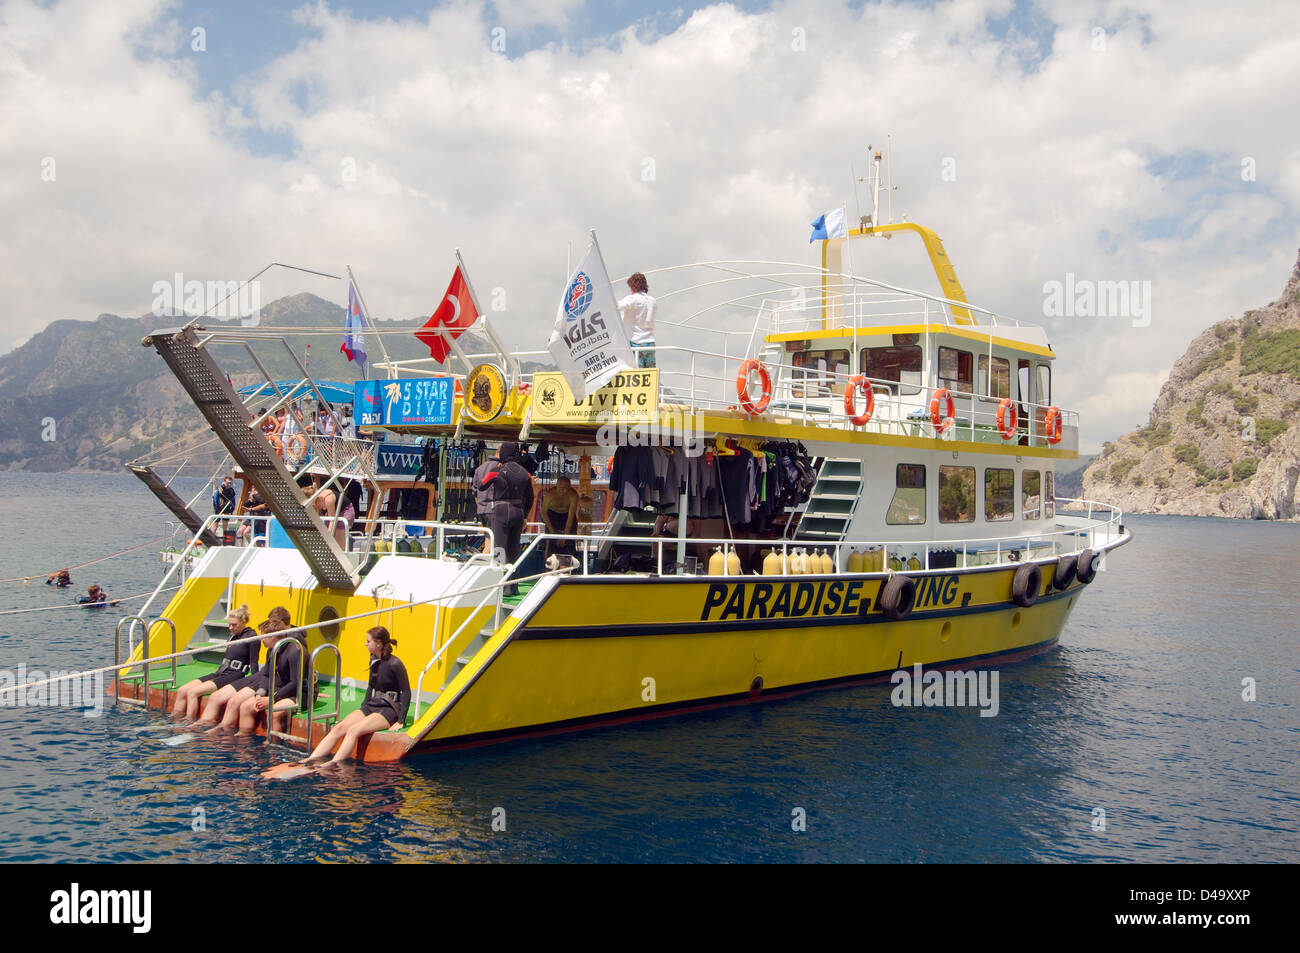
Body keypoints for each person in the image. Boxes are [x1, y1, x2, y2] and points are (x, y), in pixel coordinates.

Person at [264, 626, 409, 775]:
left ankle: (332, 763)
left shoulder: (394, 663)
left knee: (353, 730)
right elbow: (370, 686)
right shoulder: (373, 660)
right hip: (373, 704)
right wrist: (363, 708)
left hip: (389, 708)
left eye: (368, 641)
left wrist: (401, 720)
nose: (365, 644)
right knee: (338, 728)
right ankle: (311, 759)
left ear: (378, 643)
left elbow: (406, 692)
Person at [195, 608, 291, 727]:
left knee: (238, 703)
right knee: (216, 697)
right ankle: (201, 726)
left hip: (272, 681)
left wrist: (270, 696)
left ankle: (222, 730)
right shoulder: (270, 648)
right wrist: (260, 691)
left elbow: (292, 679)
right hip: (258, 676)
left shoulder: (293, 645)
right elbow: (266, 672)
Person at [171, 605, 260, 721]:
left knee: (193, 693)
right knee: (182, 690)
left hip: (234, 674)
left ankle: (188, 723)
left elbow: (254, 663)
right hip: (221, 671)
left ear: (243, 622)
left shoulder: (252, 637)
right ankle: (174, 720)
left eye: (234, 625)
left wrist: (254, 685)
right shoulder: (233, 635)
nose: (230, 627)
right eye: (229, 624)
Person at [473, 442, 534, 597]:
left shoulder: (497, 470)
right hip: (518, 511)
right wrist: (525, 515)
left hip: (500, 510)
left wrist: (496, 472)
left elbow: (481, 486)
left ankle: (502, 587)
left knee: (500, 548)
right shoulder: (525, 473)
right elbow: (530, 497)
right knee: (514, 549)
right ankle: (514, 586)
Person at [618, 272, 657, 368]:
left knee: (636, 375)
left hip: (636, 344)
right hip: (650, 344)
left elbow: (618, 306)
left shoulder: (632, 299)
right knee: (649, 375)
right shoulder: (653, 301)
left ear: (632, 286)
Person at [541, 476, 579, 558]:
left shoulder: (573, 495)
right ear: (556, 486)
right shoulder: (550, 494)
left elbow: (571, 515)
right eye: (560, 487)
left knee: (571, 538)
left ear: (569, 487)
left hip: (566, 515)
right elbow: (543, 512)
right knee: (549, 539)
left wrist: (564, 537)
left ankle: (572, 558)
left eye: (565, 488)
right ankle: (547, 557)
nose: (562, 490)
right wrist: (551, 530)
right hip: (552, 514)